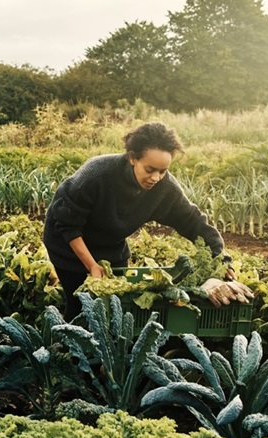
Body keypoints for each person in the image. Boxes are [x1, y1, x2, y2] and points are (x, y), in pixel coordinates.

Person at [43, 121, 252, 320]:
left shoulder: (164, 188)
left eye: (163, 171)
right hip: (69, 245)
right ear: (133, 158)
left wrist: (221, 257)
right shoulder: (96, 175)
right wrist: (91, 266)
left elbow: (193, 221)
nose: (156, 178)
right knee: (81, 304)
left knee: (116, 305)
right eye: (150, 170)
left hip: (111, 245)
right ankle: (67, 346)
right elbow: (69, 225)